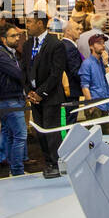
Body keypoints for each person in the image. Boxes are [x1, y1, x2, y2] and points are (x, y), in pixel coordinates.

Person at [24, 14, 67, 179]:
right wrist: (29, 91)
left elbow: (56, 74)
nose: (26, 25)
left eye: (29, 22)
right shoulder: (28, 45)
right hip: (34, 98)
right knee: (40, 133)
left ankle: (56, 163)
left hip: (51, 97)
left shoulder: (56, 44)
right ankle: (48, 162)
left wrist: (41, 93)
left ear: (40, 23)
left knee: (52, 132)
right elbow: (25, 70)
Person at [0, 25, 29, 176]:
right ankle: (17, 170)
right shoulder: (0, 55)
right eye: (13, 36)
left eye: (17, 35)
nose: (18, 38)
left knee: (12, 135)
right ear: (3, 39)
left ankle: (14, 169)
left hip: (13, 99)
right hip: (9, 100)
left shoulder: (11, 54)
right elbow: (18, 74)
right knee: (20, 136)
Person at [79, 32, 109, 114]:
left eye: (103, 43)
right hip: (95, 105)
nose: (103, 46)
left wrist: (106, 64)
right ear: (91, 46)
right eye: (99, 43)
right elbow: (85, 86)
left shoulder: (105, 61)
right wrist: (91, 105)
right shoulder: (87, 64)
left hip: (108, 103)